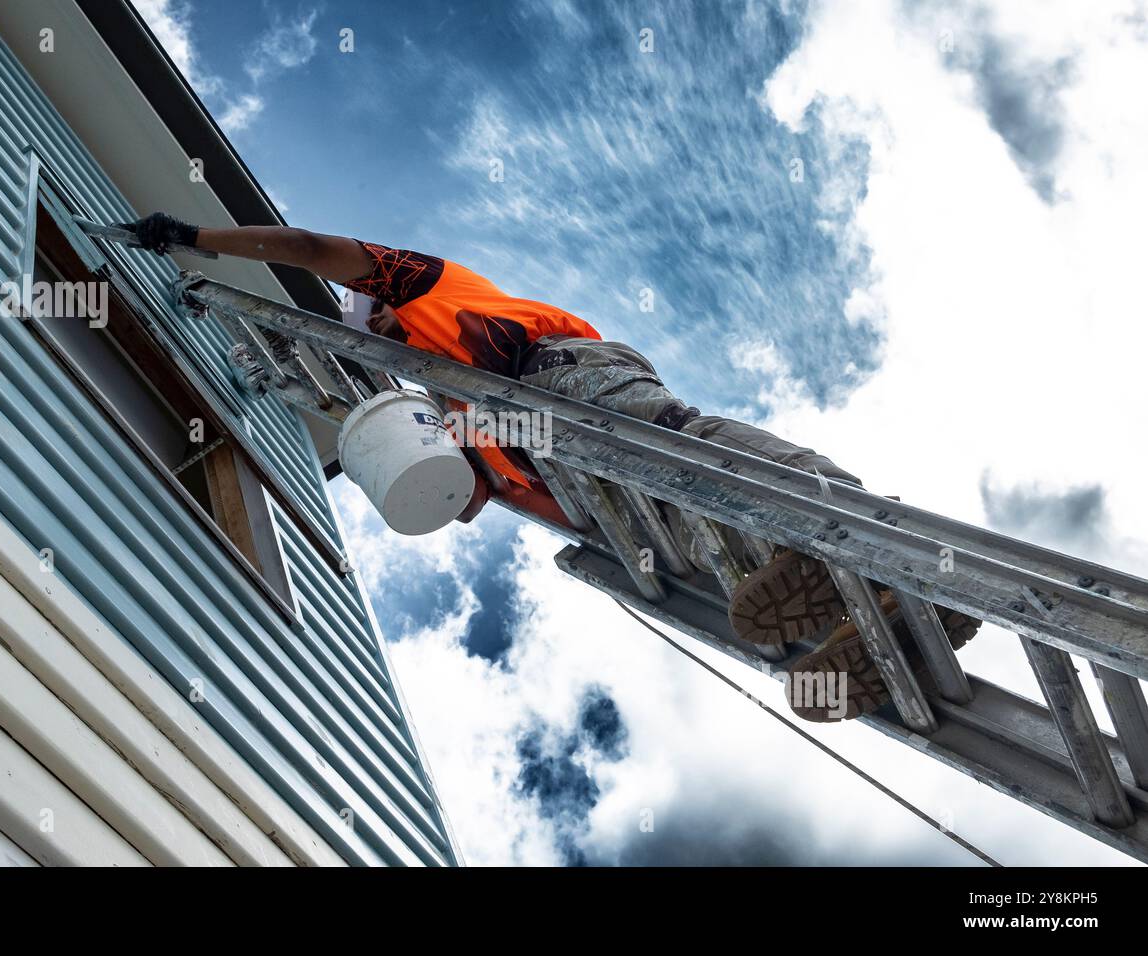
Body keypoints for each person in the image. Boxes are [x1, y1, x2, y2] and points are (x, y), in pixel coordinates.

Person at [120, 212, 977, 721]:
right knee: (704, 531)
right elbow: (464, 502)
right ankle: (878, 612)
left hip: (560, 374)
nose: (376, 345)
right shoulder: (446, 401)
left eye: (371, 330)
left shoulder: (422, 291)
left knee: (685, 447)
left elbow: (308, 246)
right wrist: (414, 456)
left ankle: (864, 533)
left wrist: (193, 237)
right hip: (559, 462)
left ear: (378, 310)